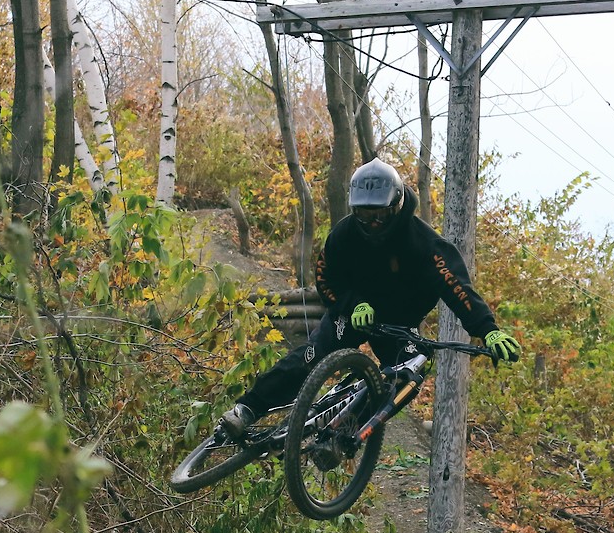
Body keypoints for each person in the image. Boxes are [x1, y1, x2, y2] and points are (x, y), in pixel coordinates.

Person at [220, 158, 521, 438]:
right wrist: (352, 304)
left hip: (399, 325)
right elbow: (325, 278)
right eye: (364, 214)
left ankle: (343, 433)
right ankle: (248, 408)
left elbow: (457, 288)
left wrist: (487, 329)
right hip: (352, 313)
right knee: (311, 355)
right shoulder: (344, 234)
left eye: (379, 215)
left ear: (396, 205)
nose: (372, 223)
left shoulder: (425, 244)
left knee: (406, 379)